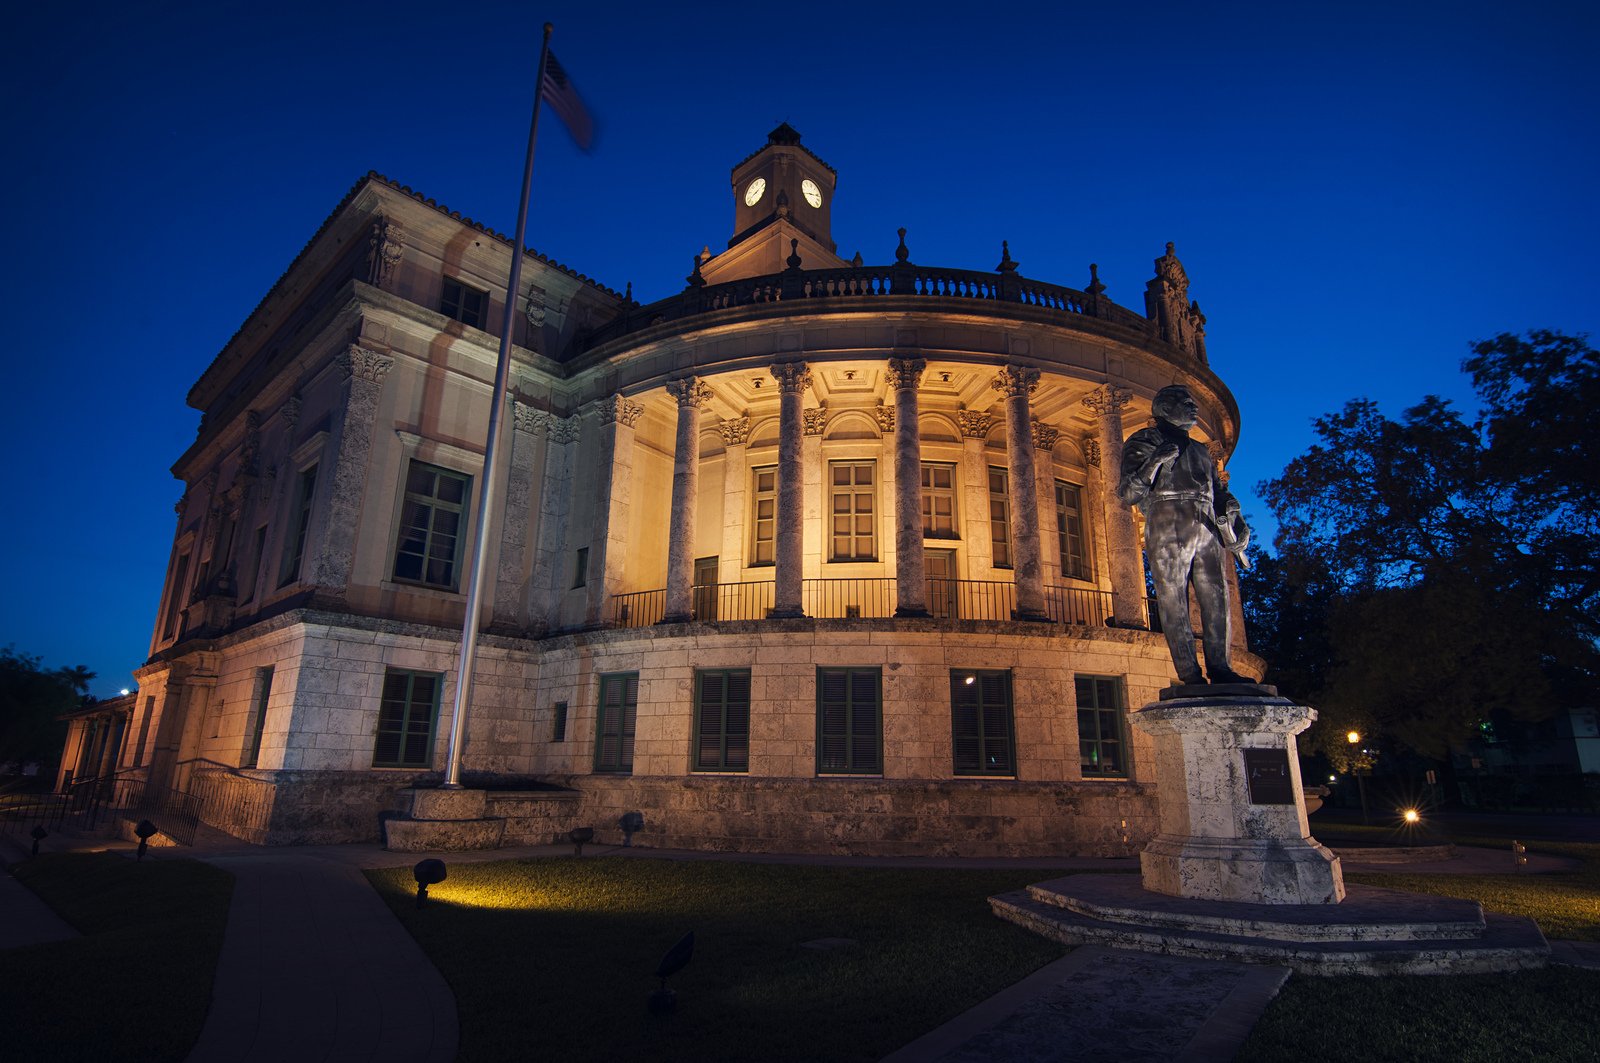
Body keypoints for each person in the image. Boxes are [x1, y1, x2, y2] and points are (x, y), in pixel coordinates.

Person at [1118, 384, 1252, 685]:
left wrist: (1238, 521)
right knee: (1172, 597)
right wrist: (1155, 461)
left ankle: (1221, 667)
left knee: (1217, 596)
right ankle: (1189, 672)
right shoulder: (1144, 440)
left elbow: (1219, 493)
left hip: (1206, 522)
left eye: (1193, 403)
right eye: (1186, 402)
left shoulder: (1201, 450)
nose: (1194, 407)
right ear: (1165, 409)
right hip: (1167, 517)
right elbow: (1128, 492)